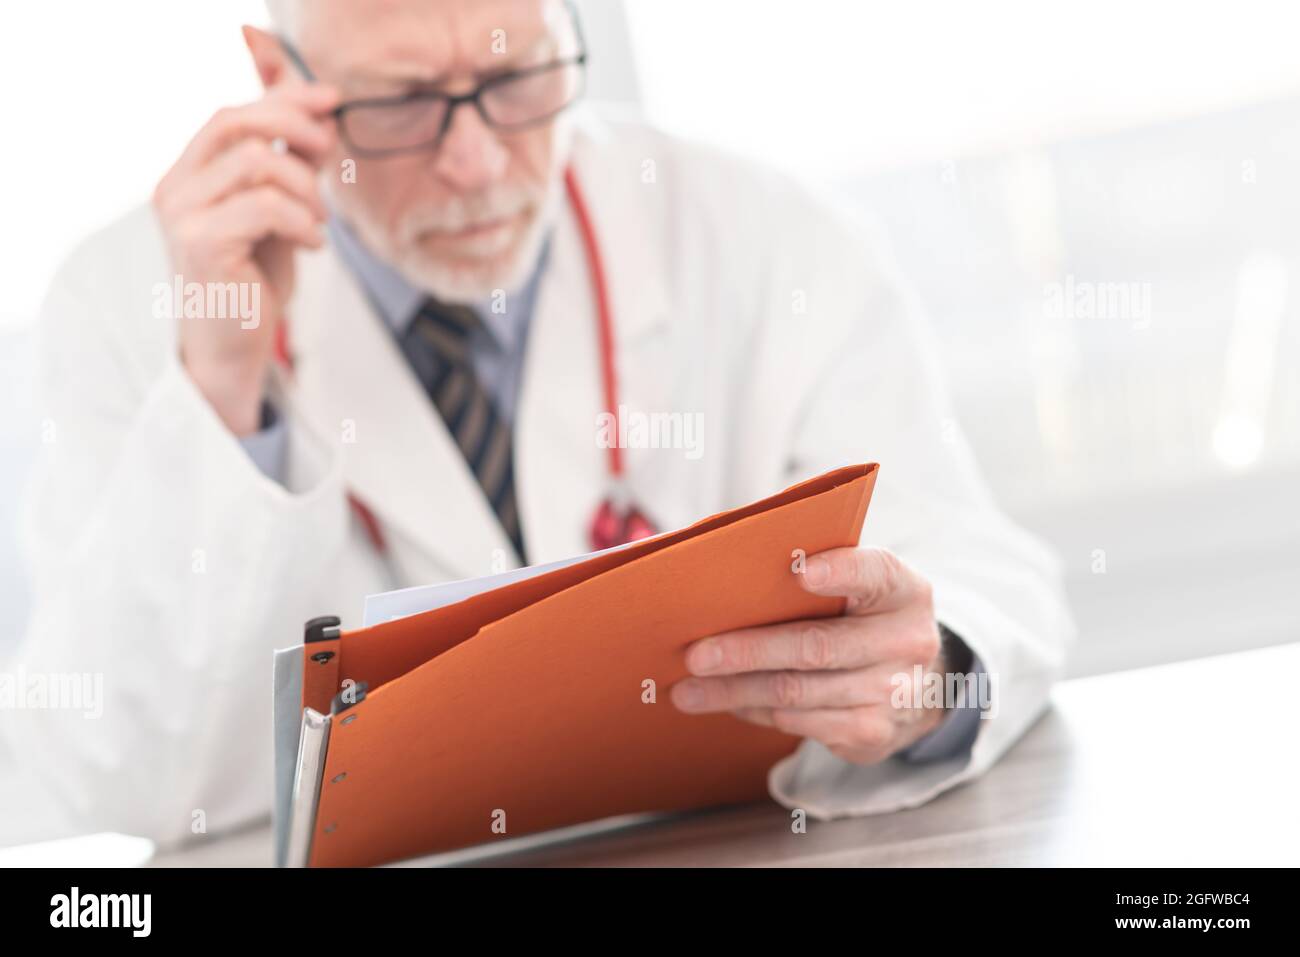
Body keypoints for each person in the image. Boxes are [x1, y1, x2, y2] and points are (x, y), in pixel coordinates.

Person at [1, 0, 1073, 848]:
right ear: (279, 79)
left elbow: (989, 578)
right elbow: (116, 775)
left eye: (517, 79)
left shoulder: (761, 237)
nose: (473, 164)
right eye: (399, 104)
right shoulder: (128, 299)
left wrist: (930, 671)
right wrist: (222, 390)